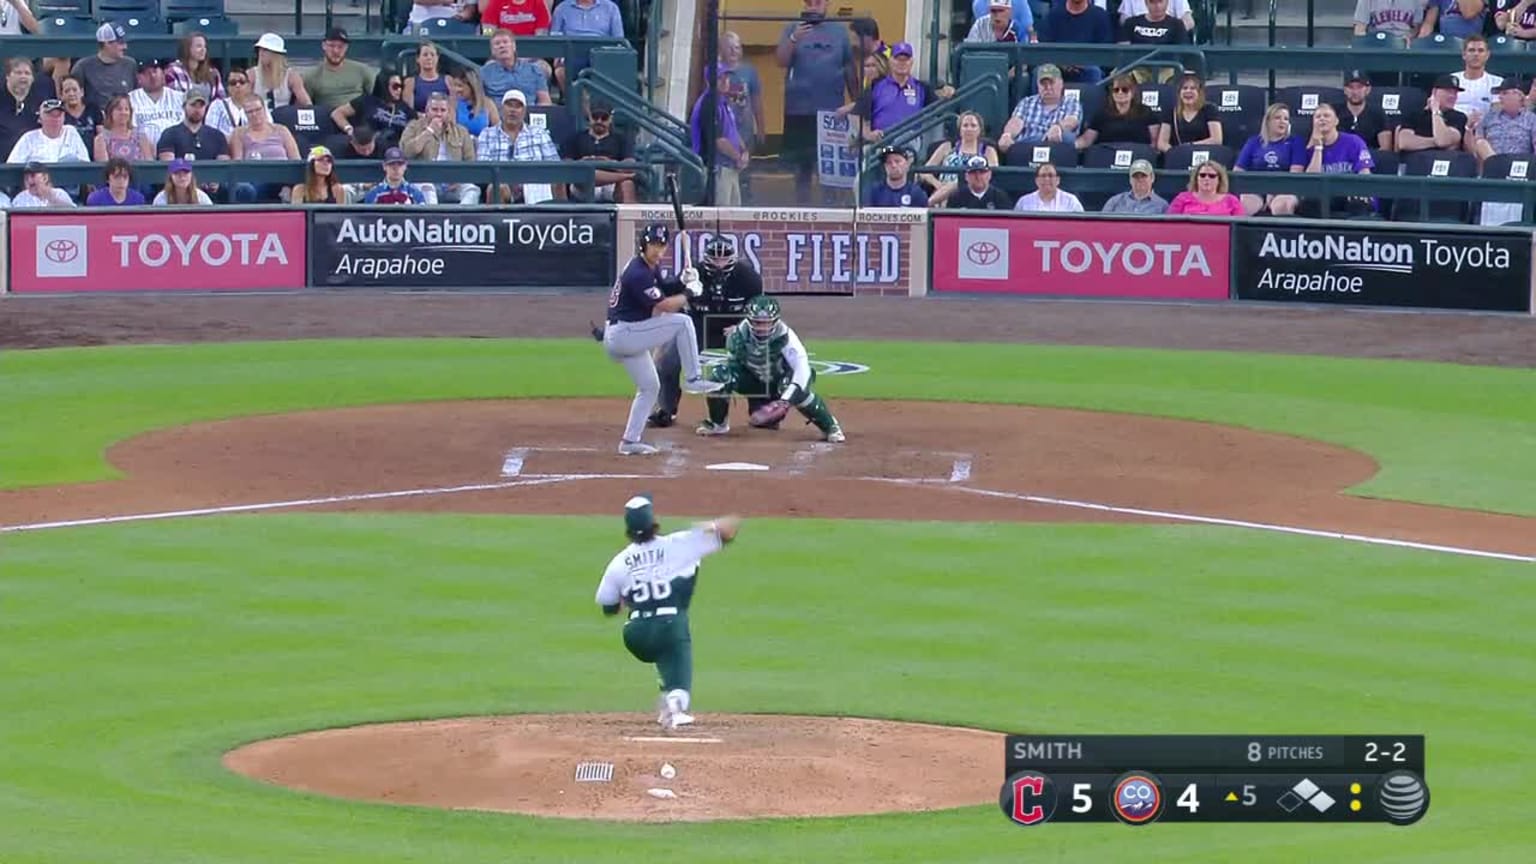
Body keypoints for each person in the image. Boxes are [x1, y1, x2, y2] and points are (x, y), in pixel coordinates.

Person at [593, 495, 741, 731]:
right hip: (670, 625)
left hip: (635, 635)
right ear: (654, 521)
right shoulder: (679, 543)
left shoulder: (619, 561)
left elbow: (608, 606)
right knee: (677, 672)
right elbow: (729, 530)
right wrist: (711, 526)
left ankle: (666, 701)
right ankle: (675, 706)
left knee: (665, 656)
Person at [602, 223, 725, 456]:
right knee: (682, 322)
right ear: (643, 245)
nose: (658, 251)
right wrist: (690, 293)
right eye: (654, 245)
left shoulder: (647, 267)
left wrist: (683, 280)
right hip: (625, 335)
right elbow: (666, 305)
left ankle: (629, 441)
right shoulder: (638, 273)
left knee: (650, 386)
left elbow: (665, 288)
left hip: (627, 335)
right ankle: (693, 378)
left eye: (662, 245)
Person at [648, 237, 764, 429]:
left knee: (761, 354)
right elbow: (665, 295)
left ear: (733, 258)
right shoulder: (694, 273)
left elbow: (760, 310)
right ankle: (666, 409)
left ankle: (761, 409)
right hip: (697, 327)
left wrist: (743, 327)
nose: (719, 264)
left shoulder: (750, 278)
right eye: (715, 259)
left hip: (735, 327)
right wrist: (681, 282)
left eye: (724, 259)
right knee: (668, 360)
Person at [695, 296, 845, 443]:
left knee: (796, 387)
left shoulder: (786, 337)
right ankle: (718, 424)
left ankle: (830, 425)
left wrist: (785, 401)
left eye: (766, 323)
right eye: (758, 323)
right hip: (754, 381)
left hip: (779, 382)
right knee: (720, 375)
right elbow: (734, 367)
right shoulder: (737, 337)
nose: (762, 328)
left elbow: (802, 371)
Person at [775, 0, 856, 201]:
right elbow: (781, 61)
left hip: (831, 111)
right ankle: (803, 210)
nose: (813, 6)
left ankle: (831, 208)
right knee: (802, 168)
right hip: (799, 110)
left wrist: (858, 103)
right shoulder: (793, 28)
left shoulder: (839, 32)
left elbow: (849, 69)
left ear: (826, 3)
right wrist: (794, 39)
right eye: (809, 2)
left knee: (829, 168)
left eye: (817, 2)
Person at [850, 42, 949, 145]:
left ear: (911, 62)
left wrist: (946, 91)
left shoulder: (921, 88)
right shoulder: (876, 86)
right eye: (898, 59)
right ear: (890, 61)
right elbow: (856, 115)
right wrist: (868, 134)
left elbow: (939, 108)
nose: (902, 63)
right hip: (882, 143)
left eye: (906, 59)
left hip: (910, 144)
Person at [476, 88, 563, 204]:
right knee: (496, 188)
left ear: (524, 111)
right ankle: (495, 222)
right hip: (502, 183)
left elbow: (555, 165)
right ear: (501, 109)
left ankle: (561, 220)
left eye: (518, 106)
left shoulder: (539, 133)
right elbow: (483, 167)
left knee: (558, 182)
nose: (513, 110)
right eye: (509, 105)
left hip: (534, 182)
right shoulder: (487, 134)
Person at [1294, 102, 1376, 218]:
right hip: (1325, 195)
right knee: (1309, 204)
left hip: (1351, 192)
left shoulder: (1353, 141)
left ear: (1336, 121)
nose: (1322, 119)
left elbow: (1364, 172)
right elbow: (1311, 182)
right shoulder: (1310, 149)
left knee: (1358, 203)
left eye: (1326, 116)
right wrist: (1318, 148)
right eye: (1318, 117)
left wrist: (1361, 190)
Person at [400, 91, 480, 204]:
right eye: (434, 110)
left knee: (472, 190)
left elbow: (470, 162)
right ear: (427, 111)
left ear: (448, 112)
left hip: (453, 183)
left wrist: (460, 180)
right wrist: (429, 131)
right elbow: (406, 152)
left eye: (443, 110)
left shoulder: (461, 131)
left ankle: (461, 220)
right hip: (424, 181)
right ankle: (434, 220)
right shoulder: (413, 127)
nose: (439, 114)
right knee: (427, 189)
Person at [690, 65, 749, 205]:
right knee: (721, 218)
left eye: (726, 77)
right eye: (720, 78)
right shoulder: (709, 103)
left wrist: (744, 150)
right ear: (710, 80)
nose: (725, 81)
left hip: (730, 168)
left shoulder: (722, 102)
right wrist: (738, 157)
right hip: (718, 169)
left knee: (734, 220)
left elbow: (732, 132)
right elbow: (719, 141)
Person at [1233, 103, 1303, 215]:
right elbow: (1238, 171)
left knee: (1283, 205)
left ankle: (1282, 233)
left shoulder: (1295, 141)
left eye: (1286, 119)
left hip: (1285, 189)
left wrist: (1275, 191)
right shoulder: (1254, 141)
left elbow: (1296, 173)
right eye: (1277, 118)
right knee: (1245, 204)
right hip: (1255, 189)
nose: (1282, 121)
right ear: (1268, 121)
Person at [998, 64, 1080, 153]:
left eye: (1051, 83)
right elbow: (1016, 122)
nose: (1048, 87)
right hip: (1026, 149)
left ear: (1061, 83)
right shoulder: (1026, 102)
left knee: (1067, 138)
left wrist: (1058, 127)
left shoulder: (1071, 102)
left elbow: (1072, 121)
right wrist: (1007, 135)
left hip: (1054, 149)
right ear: (1037, 85)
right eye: (1043, 84)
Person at [922, 110, 1000, 203]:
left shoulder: (988, 151)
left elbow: (994, 174)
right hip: (943, 193)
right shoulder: (947, 147)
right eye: (965, 125)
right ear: (960, 129)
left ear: (980, 130)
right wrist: (938, 185)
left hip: (972, 191)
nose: (969, 129)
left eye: (973, 126)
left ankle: (928, 203)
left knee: (959, 182)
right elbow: (924, 172)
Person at [564, 103, 636, 202]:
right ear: (589, 117)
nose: (599, 121)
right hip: (583, 185)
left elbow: (630, 164)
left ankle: (629, 217)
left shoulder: (621, 139)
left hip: (612, 185)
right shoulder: (576, 138)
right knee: (589, 172)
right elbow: (566, 163)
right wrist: (582, 162)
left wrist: (610, 163)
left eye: (604, 118)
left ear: (610, 119)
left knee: (627, 184)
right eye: (595, 117)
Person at [333, 68, 414, 149]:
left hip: (395, 151)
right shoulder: (367, 101)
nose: (399, 90)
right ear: (384, 85)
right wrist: (349, 130)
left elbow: (418, 122)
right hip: (367, 148)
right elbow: (337, 113)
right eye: (395, 86)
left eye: (401, 86)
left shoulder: (404, 108)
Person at [1077, 74, 1160, 150]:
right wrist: (1069, 146)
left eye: (1125, 90)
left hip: (1137, 155)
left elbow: (1154, 141)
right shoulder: (1102, 113)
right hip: (1107, 155)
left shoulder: (1145, 111)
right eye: (1116, 90)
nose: (1120, 93)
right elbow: (1087, 140)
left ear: (1132, 92)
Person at [1040, 0, 1115, 83]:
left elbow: (1106, 53)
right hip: (1058, 67)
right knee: (1041, 72)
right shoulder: (1053, 16)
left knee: (1093, 72)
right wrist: (1061, 63)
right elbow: (1045, 50)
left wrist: (1083, 63)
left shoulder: (1100, 16)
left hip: (1088, 69)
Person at [71, 23, 137, 115]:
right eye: (120, 43)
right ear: (107, 43)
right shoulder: (83, 67)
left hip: (125, 118)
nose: (125, 47)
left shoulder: (130, 64)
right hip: (96, 120)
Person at [305, 28, 376, 108]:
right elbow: (305, 107)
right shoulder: (311, 76)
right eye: (331, 46)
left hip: (359, 116)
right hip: (328, 117)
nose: (336, 51)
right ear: (324, 46)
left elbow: (378, 99)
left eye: (340, 47)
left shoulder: (362, 70)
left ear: (346, 48)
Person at [1396, 75, 1469, 152]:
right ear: (1434, 92)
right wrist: (1435, 142)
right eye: (1448, 91)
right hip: (1416, 160)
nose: (1452, 96)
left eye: (1455, 93)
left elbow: (1443, 140)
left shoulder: (1459, 117)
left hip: (1444, 161)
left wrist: (1436, 111)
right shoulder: (1416, 115)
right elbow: (1404, 143)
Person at [479, 29, 551, 105]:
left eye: (505, 42)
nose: (502, 46)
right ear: (492, 50)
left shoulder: (534, 70)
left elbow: (544, 102)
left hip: (528, 113)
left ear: (514, 46)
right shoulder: (484, 73)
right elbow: (479, 102)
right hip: (497, 114)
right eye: (497, 43)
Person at [9, 98, 90, 164]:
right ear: (40, 119)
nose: (55, 119)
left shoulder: (71, 133)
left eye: (58, 115)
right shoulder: (28, 139)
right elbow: (11, 167)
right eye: (50, 115)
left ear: (64, 118)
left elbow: (86, 164)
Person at [1158, 71, 1222, 152]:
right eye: (1184, 88)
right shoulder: (1171, 112)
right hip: (1179, 155)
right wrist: (1174, 152)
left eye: (1193, 88)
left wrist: (1191, 146)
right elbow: (1162, 143)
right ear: (1179, 93)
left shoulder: (1209, 109)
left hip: (1204, 155)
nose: (1188, 91)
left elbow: (1217, 139)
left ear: (1199, 93)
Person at [251, 33, 313, 109]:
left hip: (284, 117)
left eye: (265, 50)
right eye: (259, 50)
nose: (261, 53)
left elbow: (306, 103)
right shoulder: (252, 75)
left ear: (276, 53)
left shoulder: (291, 76)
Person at [1451, 34, 1502, 123]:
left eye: (1481, 51)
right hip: (1454, 126)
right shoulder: (1451, 80)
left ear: (1487, 55)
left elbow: (1498, 113)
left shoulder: (1497, 82)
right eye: (1471, 50)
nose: (1476, 54)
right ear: (1464, 55)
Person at [1339, 69, 1393, 151]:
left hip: (1369, 158)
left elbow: (1385, 149)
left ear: (1368, 90)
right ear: (1345, 90)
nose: (1355, 92)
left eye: (1360, 87)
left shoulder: (1378, 113)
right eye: (1351, 87)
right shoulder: (1334, 112)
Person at [1167, 161, 1244, 215]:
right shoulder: (1182, 198)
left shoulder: (1232, 201)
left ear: (1219, 180)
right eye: (1202, 175)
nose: (1206, 178)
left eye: (1212, 176)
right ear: (1196, 178)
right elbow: (1169, 223)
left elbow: (1240, 228)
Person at [863, 144, 928, 207]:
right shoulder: (874, 192)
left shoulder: (916, 193)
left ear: (907, 164)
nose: (893, 165)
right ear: (885, 167)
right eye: (889, 162)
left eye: (897, 161)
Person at [166, 31, 224, 98]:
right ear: (187, 49)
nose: (203, 50)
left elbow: (220, 99)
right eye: (199, 46)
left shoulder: (213, 74)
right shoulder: (173, 71)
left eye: (205, 47)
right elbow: (171, 99)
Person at [362, 147, 429, 203]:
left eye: (399, 164)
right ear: (384, 166)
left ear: (405, 166)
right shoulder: (374, 194)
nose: (396, 168)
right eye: (391, 164)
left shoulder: (415, 193)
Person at [945, 154, 1014, 208]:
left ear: (989, 174)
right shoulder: (956, 198)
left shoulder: (1000, 198)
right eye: (973, 173)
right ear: (966, 176)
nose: (978, 176)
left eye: (982, 172)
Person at [1101, 158, 1168, 213]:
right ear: (1130, 180)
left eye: (1144, 176)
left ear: (1152, 178)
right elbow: (1102, 224)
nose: (1140, 179)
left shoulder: (1162, 205)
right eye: (1135, 176)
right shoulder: (1115, 201)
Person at [1014, 161, 1085, 211]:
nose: (1047, 179)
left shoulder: (1071, 201)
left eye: (1050, 175)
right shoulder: (1024, 202)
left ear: (1058, 180)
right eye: (1043, 175)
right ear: (1036, 181)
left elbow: (1081, 226)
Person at [404, 40, 450, 112]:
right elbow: (409, 113)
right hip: (419, 122)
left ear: (437, 58)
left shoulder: (448, 80)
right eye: (425, 55)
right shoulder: (410, 82)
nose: (429, 58)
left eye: (432, 55)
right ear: (417, 59)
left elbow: (452, 110)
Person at [968, 0, 1035, 43]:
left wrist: (1034, 42)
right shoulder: (979, 4)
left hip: (1016, 49)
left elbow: (1030, 29)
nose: (997, 14)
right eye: (994, 11)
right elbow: (982, 30)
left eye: (1000, 11)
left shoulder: (1020, 2)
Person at [1353, 0, 1424, 38]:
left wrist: (1409, 37)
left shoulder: (1416, 1)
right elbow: (1360, 29)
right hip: (1377, 42)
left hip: (1403, 45)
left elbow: (1416, 27)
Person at [1419, 0, 1488, 38]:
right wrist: (1419, 43)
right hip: (1446, 42)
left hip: (1470, 43)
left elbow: (1468, 13)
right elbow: (1428, 24)